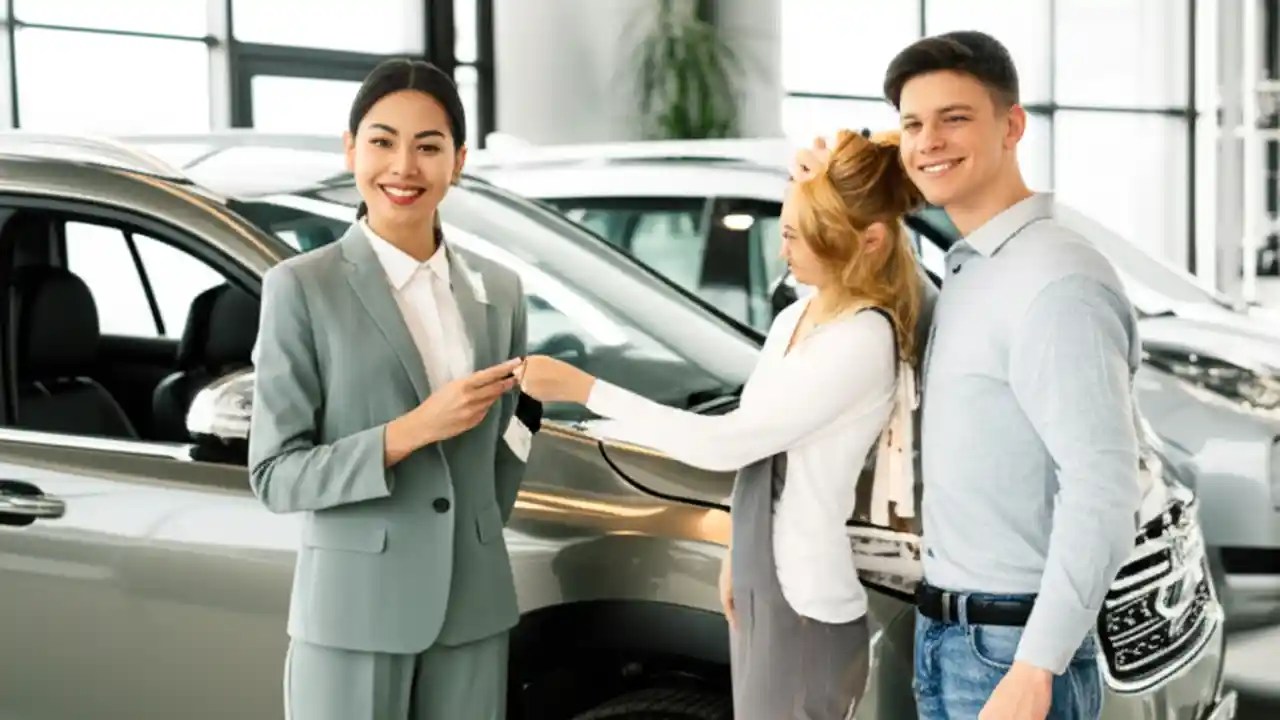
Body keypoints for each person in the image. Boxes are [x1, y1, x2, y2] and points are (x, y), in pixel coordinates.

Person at [516, 128, 925, 720]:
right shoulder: (796, 317)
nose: (784, 253)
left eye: (798, 237)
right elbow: (754, 441)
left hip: (807, 603)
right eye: (784, 232)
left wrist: (585, 390)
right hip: (764, 584)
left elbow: (727, 442)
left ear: (869, 241)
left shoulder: (864, 339)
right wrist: (740, 549)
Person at [247, 58, 535, 720]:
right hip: (353, 612)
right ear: (351, 149)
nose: (404, 166)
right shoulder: (301, 288)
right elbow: (275, 476)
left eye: (428, 146)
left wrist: (478, 533)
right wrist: (412, 431)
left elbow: (509, 442)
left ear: (457, 160)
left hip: (473, 610)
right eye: (382, 141)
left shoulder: (501, 292)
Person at [882, 31, 1143, 720]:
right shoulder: (974, 267)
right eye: (913, 124)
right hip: (948, 636)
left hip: (1011, 647)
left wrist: (1036, 666)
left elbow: (1105, 488)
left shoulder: (1054, 280)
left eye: (955, 117)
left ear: (1013, 125)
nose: (929, 140)